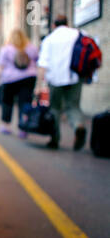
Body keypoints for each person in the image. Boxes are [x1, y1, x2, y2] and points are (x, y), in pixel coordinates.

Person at [36, 15, 87, 151]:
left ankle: (55, 139)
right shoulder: (79, 34)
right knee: (73, 106)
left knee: (55, 109)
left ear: (54, 25)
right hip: (75, 77)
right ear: (67, 23)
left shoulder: (49, 39)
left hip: (55, 79)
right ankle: (79, 126)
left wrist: (38, 85)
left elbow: (42, 64)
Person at [0, 29, 39, 138]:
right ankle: (23, 128)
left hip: (9, 79)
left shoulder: (6, 49)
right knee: (24, 103)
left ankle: (6, 125)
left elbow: (0, 66)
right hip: (29, 78)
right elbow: (38, 62)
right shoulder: (32, 48)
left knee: (7, 102)